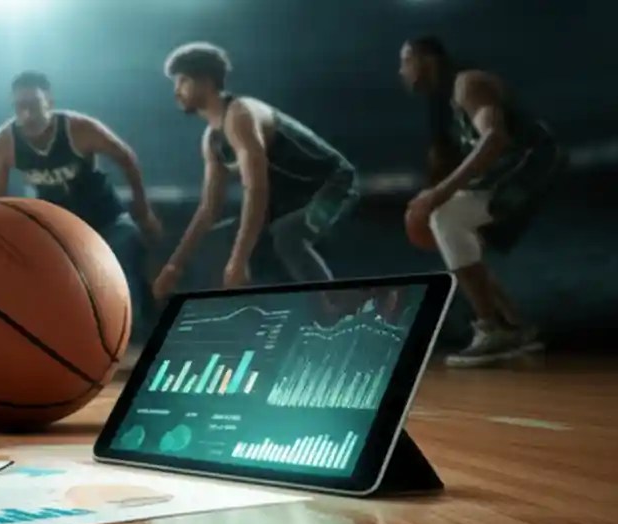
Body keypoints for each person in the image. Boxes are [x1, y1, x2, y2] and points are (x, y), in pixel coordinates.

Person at [399, 36, 563, 367]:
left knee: (446, 215)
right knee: (464, 246)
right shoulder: (449, 107)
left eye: (405, 61)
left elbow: (495, 138)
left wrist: (439, 193)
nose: (401, 71)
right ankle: (515, 326)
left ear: (426, 60)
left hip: (531, 163)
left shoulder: (467, 83)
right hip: (518, 169)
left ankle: (493, 329)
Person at [153, 42, 360, 299]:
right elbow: (208, 209)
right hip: (292, 199)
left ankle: (333, 307)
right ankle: (263, 309)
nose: (176, 91)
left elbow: (257, 189)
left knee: (287, 236)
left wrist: (239, 259)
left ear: (206, 81)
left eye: (182, 81)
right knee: (228, 235)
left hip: (334, 185)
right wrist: (175, 265)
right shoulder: (212, 140)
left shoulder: (241, 115)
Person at [0, 71, 162, 342]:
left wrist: (143, 208)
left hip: (106, 218)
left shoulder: (79, 128)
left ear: (49, 101)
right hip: (60, 228)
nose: (26, 114)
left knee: (127, 262)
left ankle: (144, 341)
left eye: (33, 104)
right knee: (45, 283)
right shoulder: (5, 141)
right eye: (19, 106)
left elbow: (125, 157)